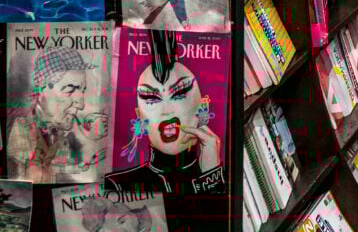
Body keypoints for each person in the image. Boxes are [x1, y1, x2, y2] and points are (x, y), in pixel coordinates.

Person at [102, 28, 224, 231]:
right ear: (140, 116)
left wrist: (211, 178)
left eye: (179, 94)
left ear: (203, 107)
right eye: (151, 99)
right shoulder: (117, 186)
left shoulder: (219, 174)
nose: (166, 111)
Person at [6, 46, 107, 182]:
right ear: (41, 89)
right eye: (70, 90)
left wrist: (87, 139)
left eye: (82, 90)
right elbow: (27, 179)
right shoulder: (20, 128)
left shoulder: (56, 131)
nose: (81, 104)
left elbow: (61, 168)